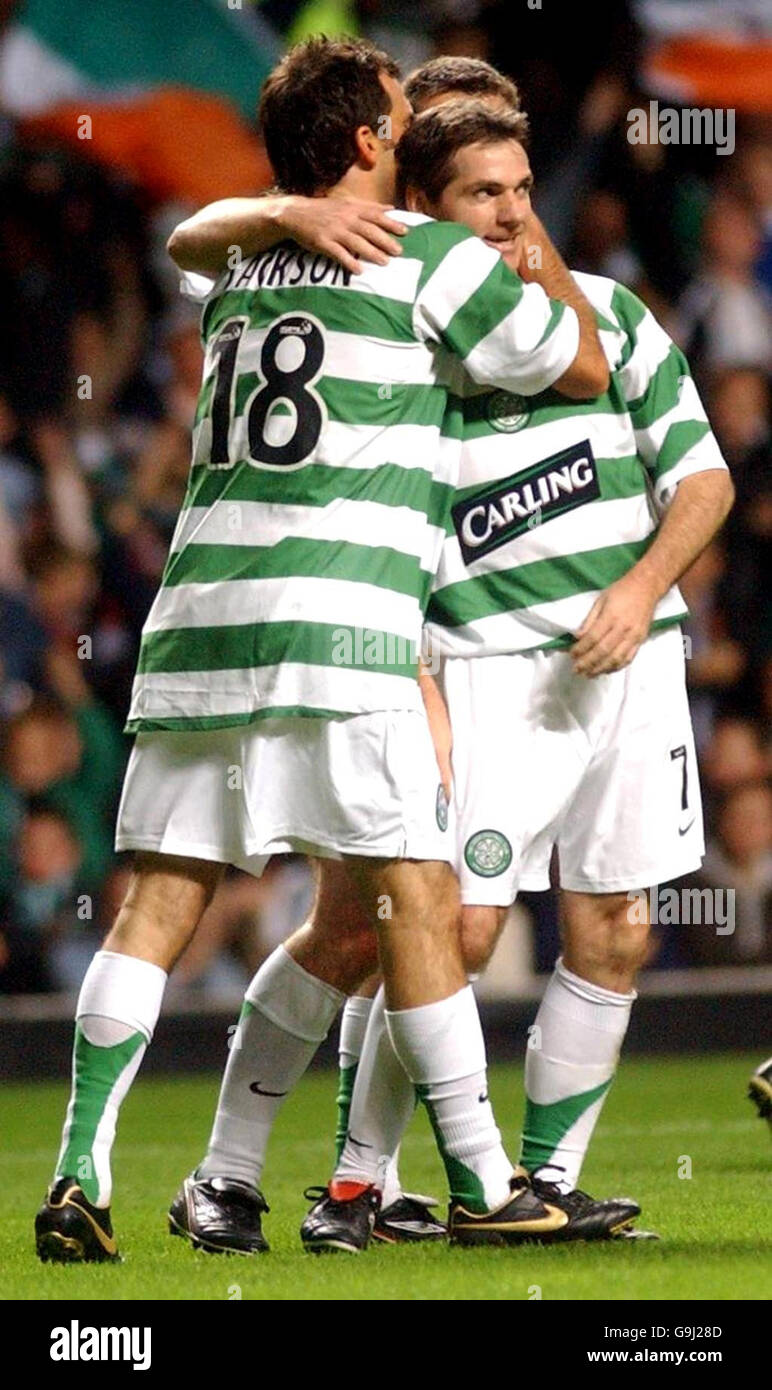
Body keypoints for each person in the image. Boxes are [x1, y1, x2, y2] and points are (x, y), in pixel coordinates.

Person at [35, 37, 607, 1264]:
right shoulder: (430, 259)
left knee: (154, 906)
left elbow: (196, 234)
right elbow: (574, 363)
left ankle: (79, 1169)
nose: (409, 130)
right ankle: (484, 1181)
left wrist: (274, 204)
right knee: (412, 893)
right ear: (365, 142)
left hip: (198, 629)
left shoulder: (247, 257)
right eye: (398, 117)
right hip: (344, 628)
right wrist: (519, 231)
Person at [164, 56, 733, 1253]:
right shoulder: (411, 330)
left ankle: (541, 1180)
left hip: (628, 657)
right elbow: (196, 245)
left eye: (523, 188)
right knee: (432, 927)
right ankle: (353, 1183)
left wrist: (640, 589)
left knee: (617, 925)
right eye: (482, 193)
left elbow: (701, 475)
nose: (514, 213)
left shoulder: (612, 309)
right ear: (422, 208)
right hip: (471, 666)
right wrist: (285, 211)